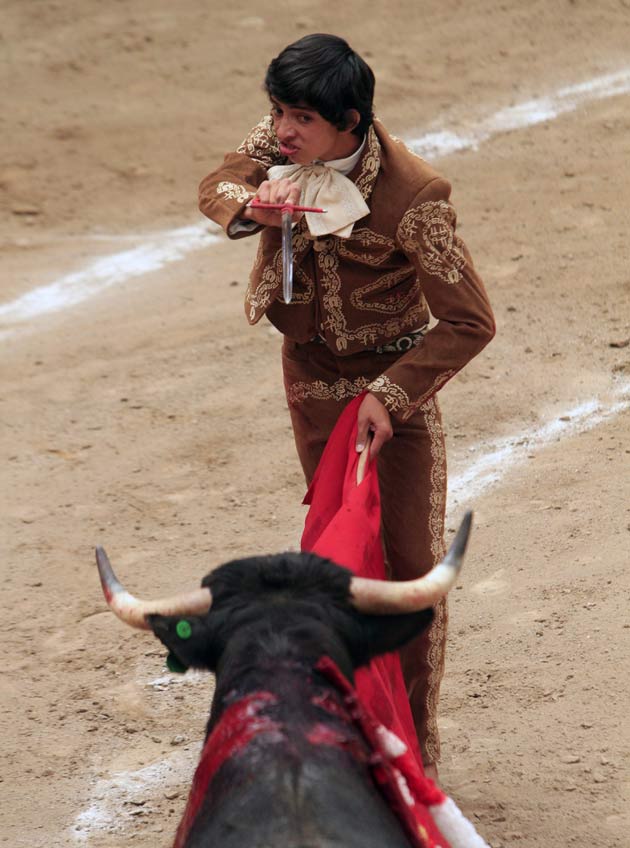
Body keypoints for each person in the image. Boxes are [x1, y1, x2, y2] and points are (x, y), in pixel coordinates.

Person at [198, 33, 495, 780]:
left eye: (299, 118)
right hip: (310, 378)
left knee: (408, 571)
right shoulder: (283, 138)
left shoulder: (414, 197)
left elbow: (470, 320)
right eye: (278, 113)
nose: (281, 131)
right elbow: (219, 184)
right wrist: (256, 207)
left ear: (350, 122)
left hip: (393, 379)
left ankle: (414, 753)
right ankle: (343, 734)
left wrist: (392, 396)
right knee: (337, 560)